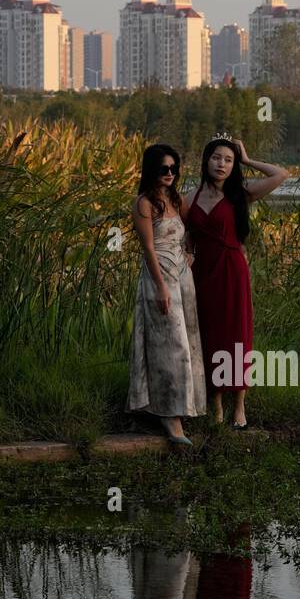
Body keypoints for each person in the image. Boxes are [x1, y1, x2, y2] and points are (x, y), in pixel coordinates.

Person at [185, 136, 288, 429]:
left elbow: (281, 174)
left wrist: (247, 159)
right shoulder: (189, 198)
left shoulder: (239, 195)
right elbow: (185, 234)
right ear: (206, 160)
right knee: (208, 332)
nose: (222, 164)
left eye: (228, 160)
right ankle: (215, 402)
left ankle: (240, 404)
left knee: (237, 335)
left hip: (232, 270)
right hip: (202, 271)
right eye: (217, 157)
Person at [126, 144, 205, 444]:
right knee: (170, 345)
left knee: (186, 341)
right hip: (159, 277)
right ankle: (170, 419)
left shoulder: (176, 199)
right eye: (163, 169)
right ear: (151, 170)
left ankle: (184, 406)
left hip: (183, 276)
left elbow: (192, 229)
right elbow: (148, 248)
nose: (170, 174)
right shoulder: (144, 203)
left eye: (174, 168)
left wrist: (191, 252)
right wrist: (160, 287)